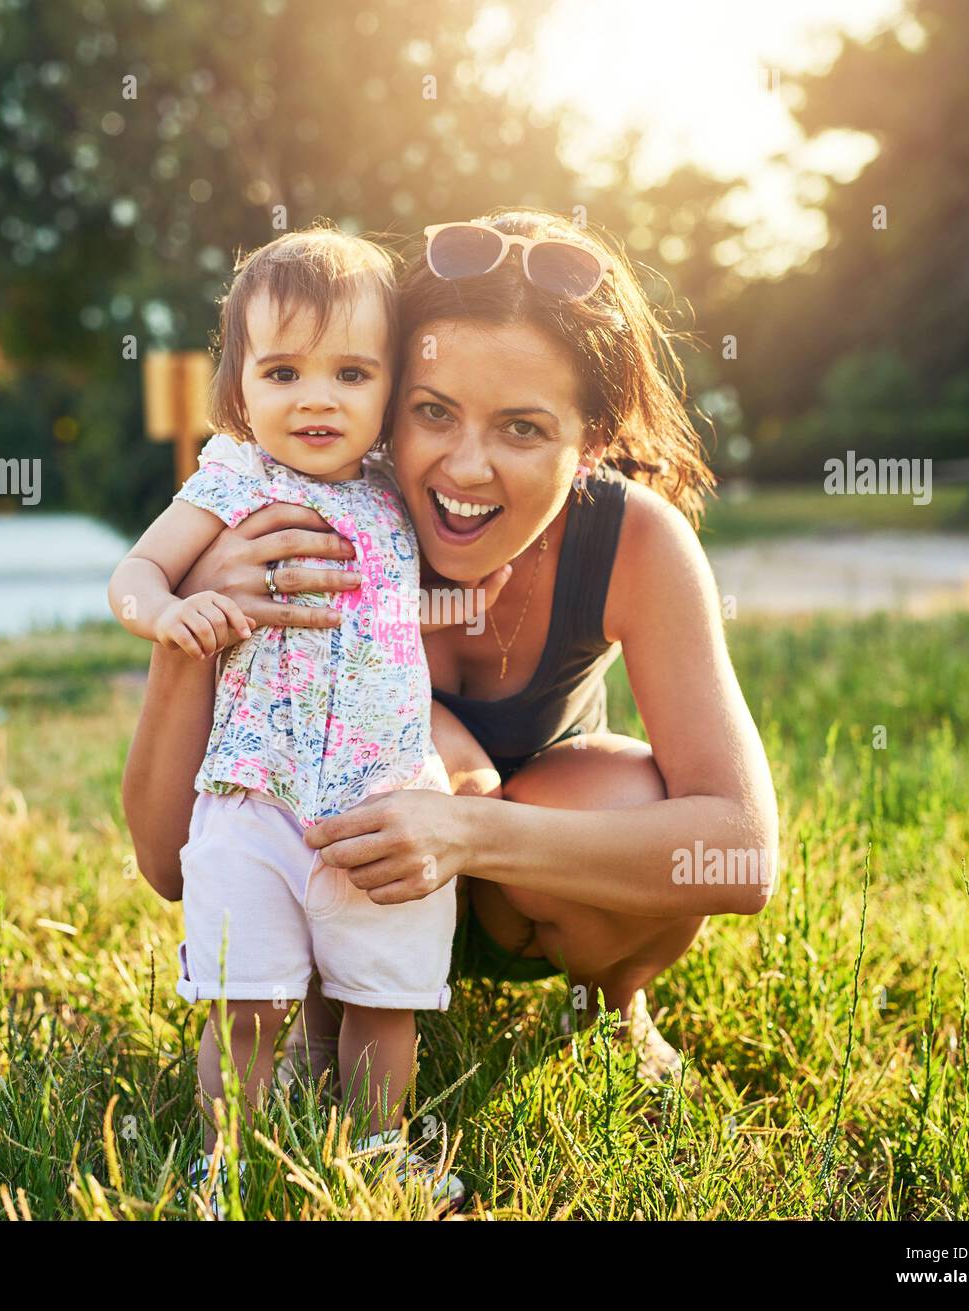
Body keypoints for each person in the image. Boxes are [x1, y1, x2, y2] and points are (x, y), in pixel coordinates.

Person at [122, 208, 779, 1100]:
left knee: (608, 788)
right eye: (433, 412)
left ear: (593, 439)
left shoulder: (633, 542)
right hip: (342, 885)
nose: (466, 470)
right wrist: (191, 632)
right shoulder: (291, 528)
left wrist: (465, 828)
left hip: (529, 896)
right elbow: (167, 862)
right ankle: (325, 1015)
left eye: (524, 428)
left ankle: (613, 1005)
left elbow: (740, 853)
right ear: (387, 397)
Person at [109, 224, 503, 1208]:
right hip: (251, 796)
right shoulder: (234, 480)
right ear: (238, 388)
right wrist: (170, 611)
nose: (316, 397)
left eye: (350, 372)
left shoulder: (398, 488)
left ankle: (378, 1154)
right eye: (282, 371)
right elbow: (132, 574)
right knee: (244, 1006)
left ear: (390, 388)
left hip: (382, 800)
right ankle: (229, 1160)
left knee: (382, 1005)